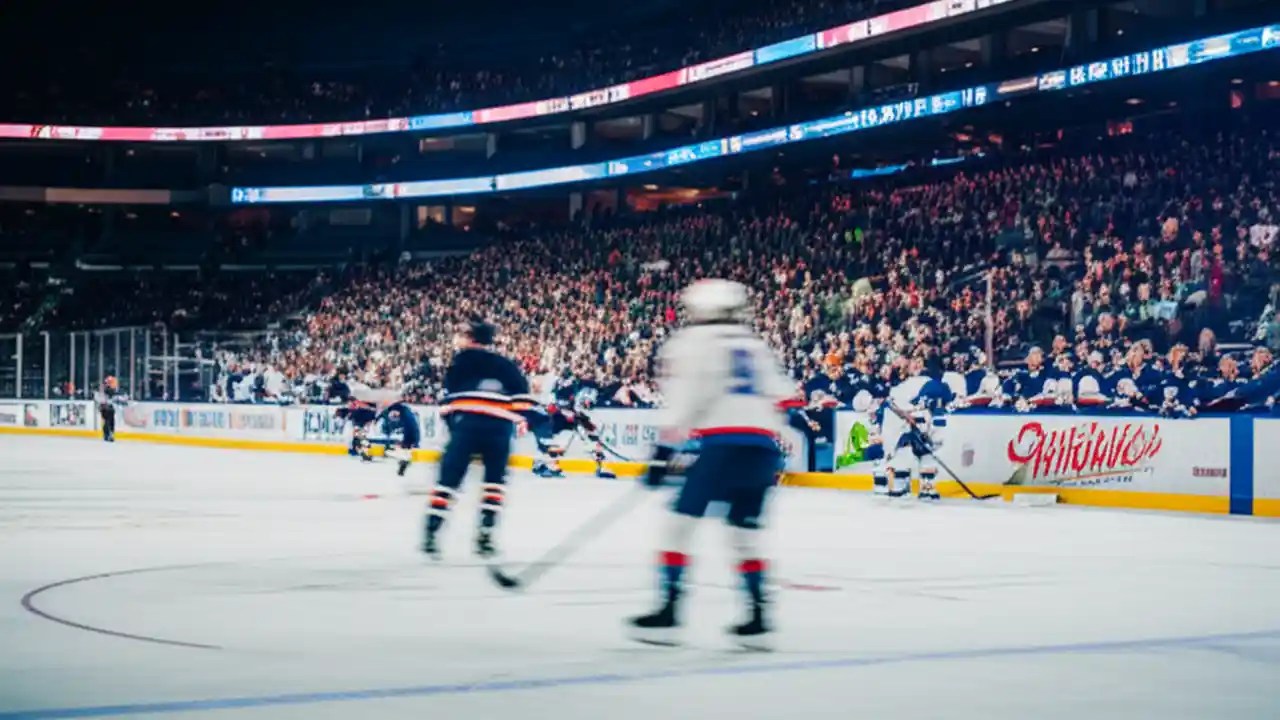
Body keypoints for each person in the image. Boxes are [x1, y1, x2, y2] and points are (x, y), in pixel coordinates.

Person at [630, 279, 793, 650]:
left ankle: (669, 608)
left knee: (678, 526)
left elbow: (685, 400)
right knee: (743, 531)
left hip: (723, 444)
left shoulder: (691, 343)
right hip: (763, 447)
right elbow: (782, 397)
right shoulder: (755, 344)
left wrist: (661, 453)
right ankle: (757, 614)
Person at [423, 319, 530, 560]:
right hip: (499, 430)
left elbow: (446, 402)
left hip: (467, 427)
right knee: (494, 483)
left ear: (471, 338)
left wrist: (457, 428)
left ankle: (431, 532)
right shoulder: (507, 366)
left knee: (448, 480)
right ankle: (485, 535)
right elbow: (524, 399)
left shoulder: (460, 363)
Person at [94, 376, 123, 442]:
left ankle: (109, 434)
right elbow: (99, 398)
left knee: (110, 421)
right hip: (105, 407)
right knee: (107, 420)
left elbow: (115, 397)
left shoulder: (110, 390)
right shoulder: (103, 389)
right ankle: (108, 434)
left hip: (109, 407)